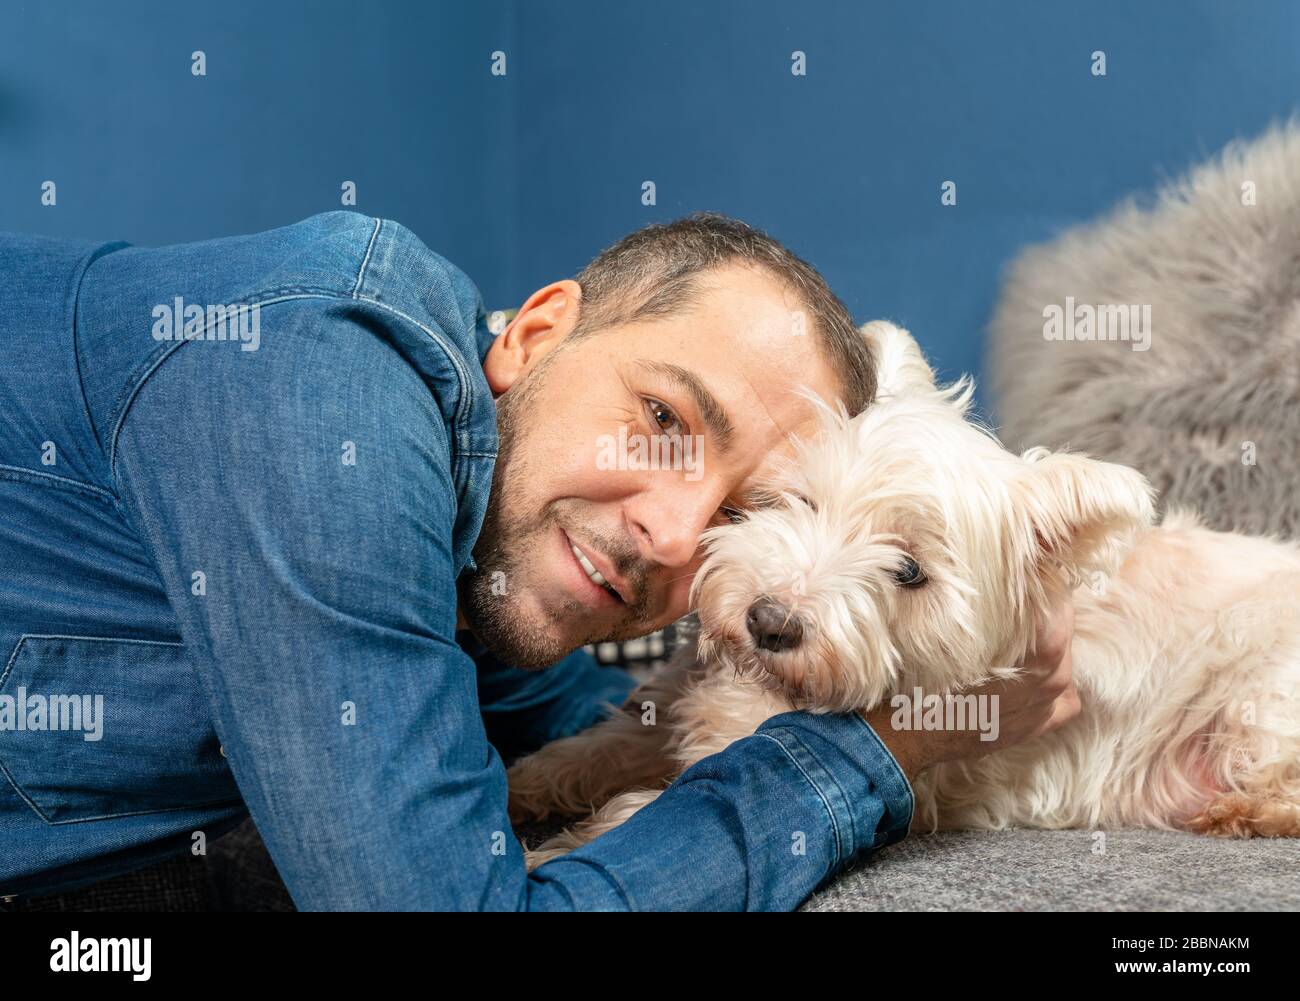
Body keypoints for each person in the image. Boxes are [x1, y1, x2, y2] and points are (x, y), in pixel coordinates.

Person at [0, 211, 1079, 909]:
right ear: (534, 332)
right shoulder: (318, 394)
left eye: (737, 511)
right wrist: (881, 753)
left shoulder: (494, 545)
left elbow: (569, 720)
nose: (669, 531)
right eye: (660, 416)